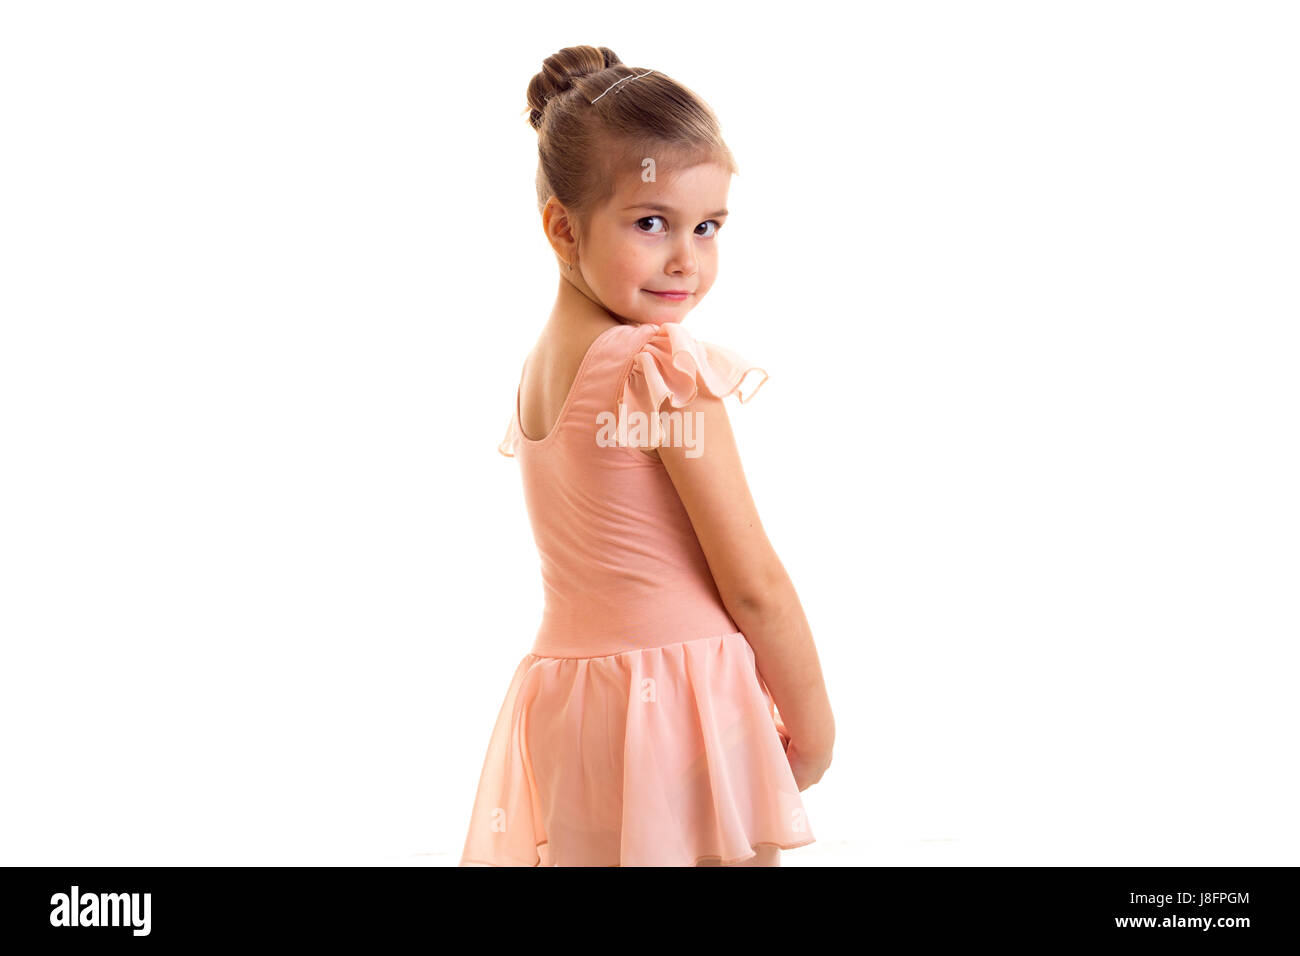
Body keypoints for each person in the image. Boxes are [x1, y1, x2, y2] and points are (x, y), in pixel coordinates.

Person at [458, 45, 834, 867]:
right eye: (650, 222)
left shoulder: (540, 370)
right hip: (682, 704)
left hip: (571, 702)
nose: (686, 260)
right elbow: (753, 582)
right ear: (563, 226)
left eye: (708, 228)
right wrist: (814, 729)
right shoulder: (655, 366)